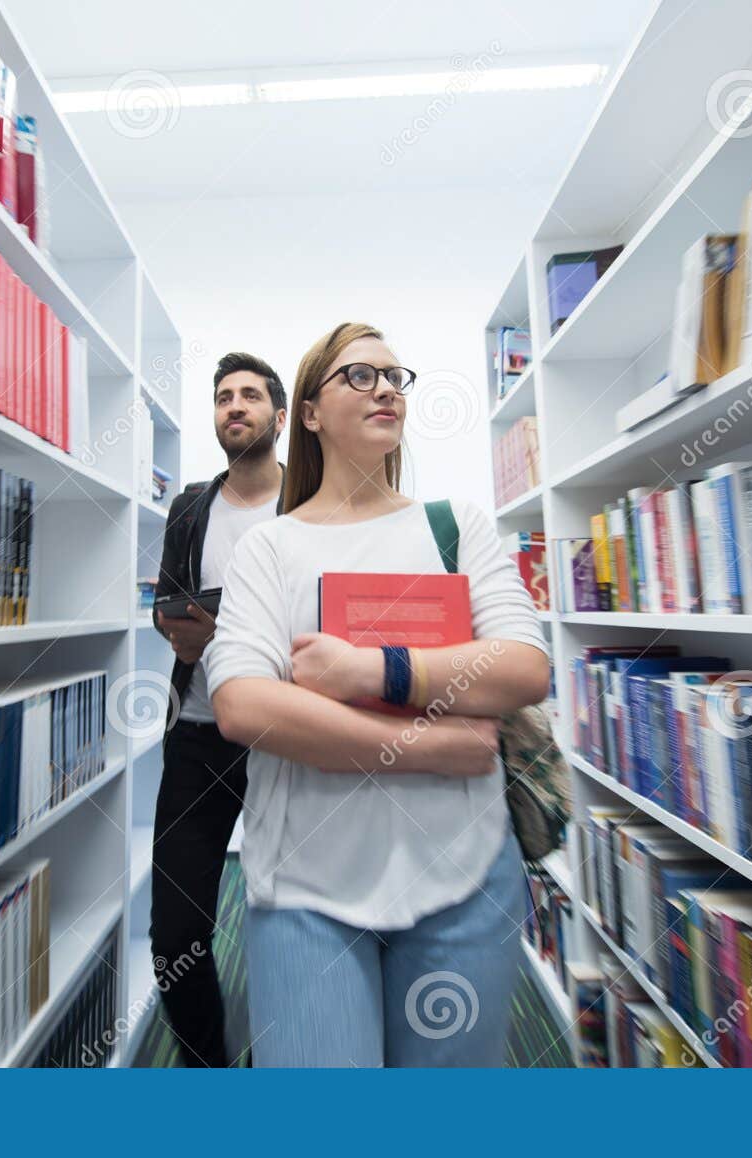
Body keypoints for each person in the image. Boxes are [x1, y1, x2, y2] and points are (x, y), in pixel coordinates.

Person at [204, 322, 550, 1067]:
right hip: (304, 888)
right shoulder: (271, 547)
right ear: (310, 413)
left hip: (464, 876)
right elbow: (243, 705)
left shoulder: (457, 528)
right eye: (360, 376)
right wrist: (433, 746)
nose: (387, 388)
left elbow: (523, 667)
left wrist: (372, 672)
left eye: (397, 376)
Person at [148, 351, 286, 1067]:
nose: (235, 406)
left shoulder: (310, 504)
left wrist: (234, 636)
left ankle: (295, 1056)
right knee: (175, 937)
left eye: (251, 396)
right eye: (224, 396)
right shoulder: (190, 507)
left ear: (280, 416)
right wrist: (185, 635)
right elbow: (165, 610)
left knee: (291, 923)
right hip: (197, 739)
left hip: (285, 740)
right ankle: (209, 1073)